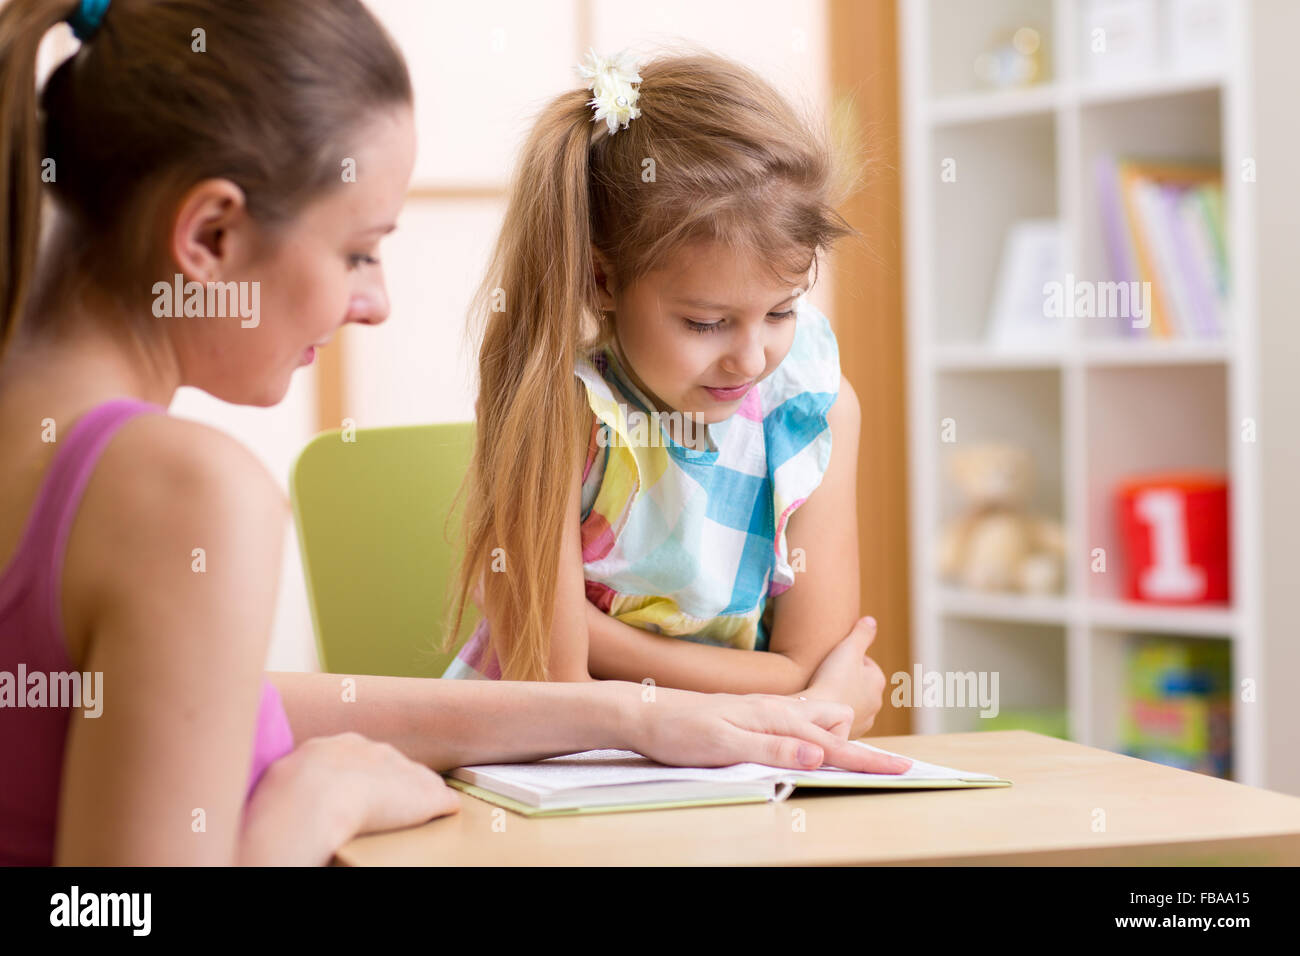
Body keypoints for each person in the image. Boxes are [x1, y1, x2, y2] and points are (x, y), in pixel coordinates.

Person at [0, 0, 906, 867]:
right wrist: (317, 798)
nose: (376, 301)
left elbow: (207, 703)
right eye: (358, 250)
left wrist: (627, 715)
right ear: (210, 234)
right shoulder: (180, 491)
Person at [445, 50, 891, 740]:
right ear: (602, 281)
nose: (751, 357)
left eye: (781, 310)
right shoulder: (558, 405)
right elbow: (559, 686)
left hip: (736, 757)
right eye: (706, 322)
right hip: (550, 761)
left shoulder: (810, 406)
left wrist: (602, 638)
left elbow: (814, 665)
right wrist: (783, 702)